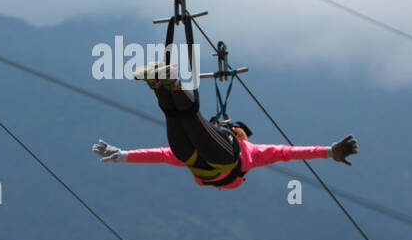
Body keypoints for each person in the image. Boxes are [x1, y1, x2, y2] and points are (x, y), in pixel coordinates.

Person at [92, 61, 357, 189]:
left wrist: (123, 156)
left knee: (175, 119)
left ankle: (160, 85)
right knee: (189, 120)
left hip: (196, 159)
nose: (237, 130)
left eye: (239, 130)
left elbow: (160, 155)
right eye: (236, 129)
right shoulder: (248, 152)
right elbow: (288, 153)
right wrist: (327, 151)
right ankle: (170, 85)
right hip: (220, 155)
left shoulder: (248, 151)